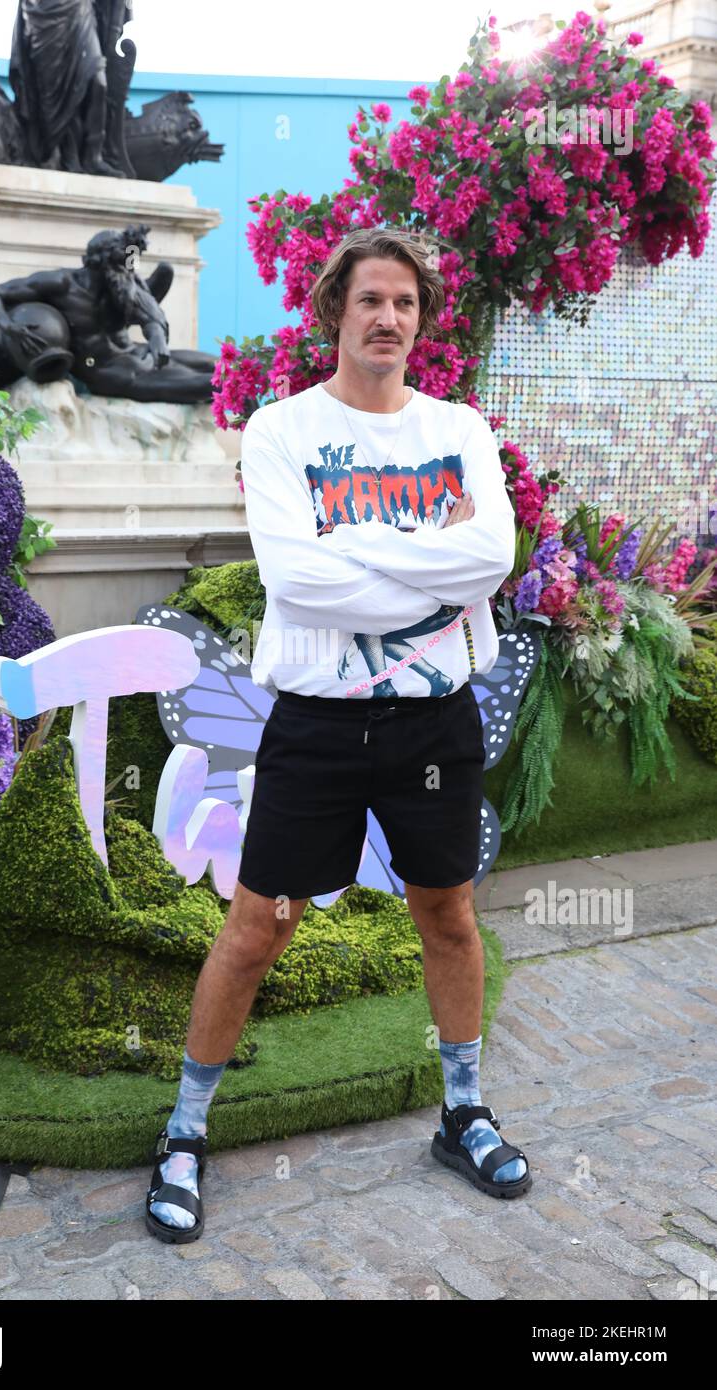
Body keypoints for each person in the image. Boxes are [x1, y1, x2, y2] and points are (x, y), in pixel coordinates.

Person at [145, 226, 532, 1244]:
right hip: (317, 723)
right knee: (258, 924)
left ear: (419, 318)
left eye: (403, 303)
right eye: (369, 300)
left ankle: (461, 1111)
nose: (387, 319)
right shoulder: (280, 431)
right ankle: (183, 1130)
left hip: (432, 725)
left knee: (445, 913)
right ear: (335, 312)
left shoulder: (457, 429)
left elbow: (487, 557)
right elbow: (296, 578)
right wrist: (424, 561)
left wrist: (362, 554)